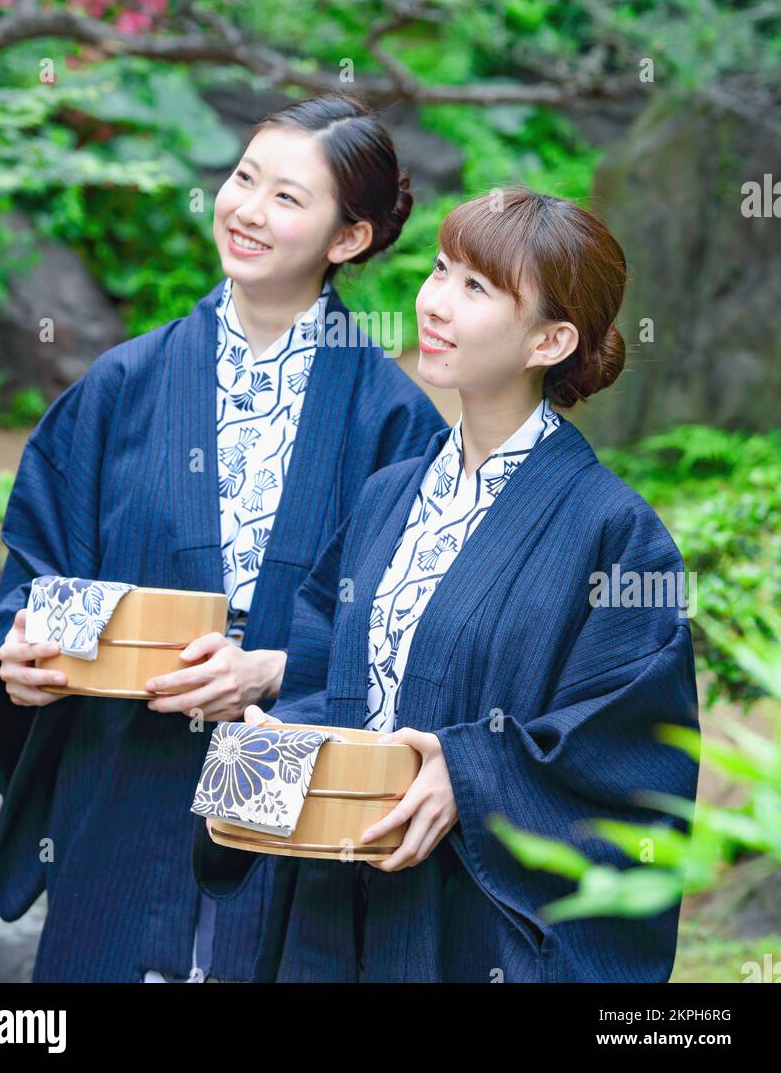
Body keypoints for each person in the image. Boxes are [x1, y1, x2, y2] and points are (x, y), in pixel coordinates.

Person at [0, 93, 447, 983]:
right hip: (124, 781)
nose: (248, 210)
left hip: (287, 785)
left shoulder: (395, 423)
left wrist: (275, 668)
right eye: (243, 178)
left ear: (348, 239)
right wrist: (21, 658)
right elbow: (36, 573)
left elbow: (423, 636)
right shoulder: (120, 388)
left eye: (288, 198)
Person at [195, 186, 701, 982]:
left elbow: (632, 758)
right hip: (336, 903)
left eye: (477, 288)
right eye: (439, 270)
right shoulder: (388, 495)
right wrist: (271, 743)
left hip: (472, 932)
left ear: (551, 340)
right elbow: (323, 663)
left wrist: (473, 775)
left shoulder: (615, 534)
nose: (436, 302)